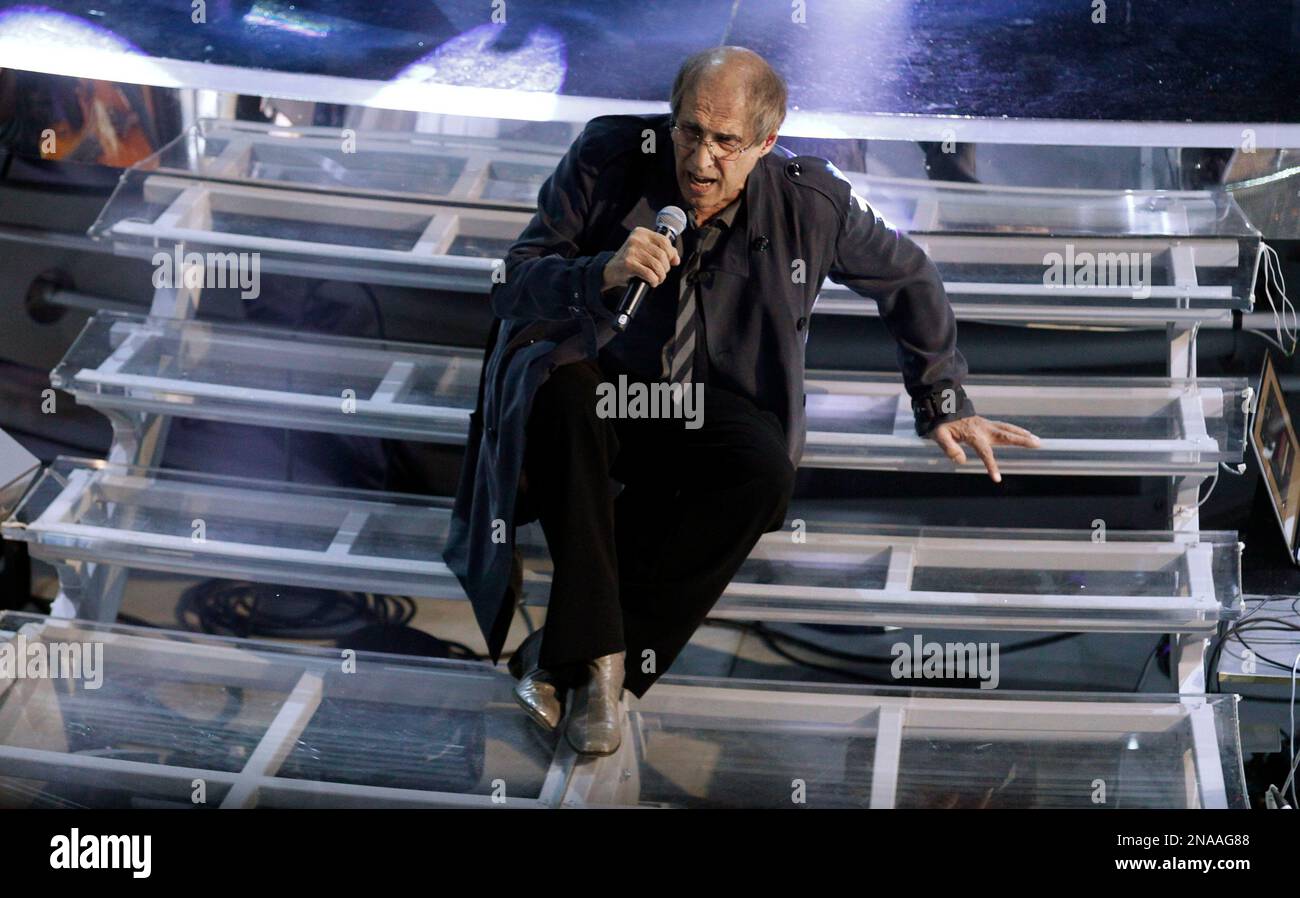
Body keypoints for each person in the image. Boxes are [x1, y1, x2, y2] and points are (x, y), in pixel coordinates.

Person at [444, 46, 1041, 756]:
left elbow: (909, 275)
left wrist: (942, 397)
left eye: (726, 142)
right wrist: (597, 272)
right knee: (563, 389)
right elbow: (511, 285)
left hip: (703, 405)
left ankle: (560, 655)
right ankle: (604, 674)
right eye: (689, 133)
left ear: (766, 139)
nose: (700, 161)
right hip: (596, 389)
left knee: (762, 470)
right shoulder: (607, 154)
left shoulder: (811, 202)